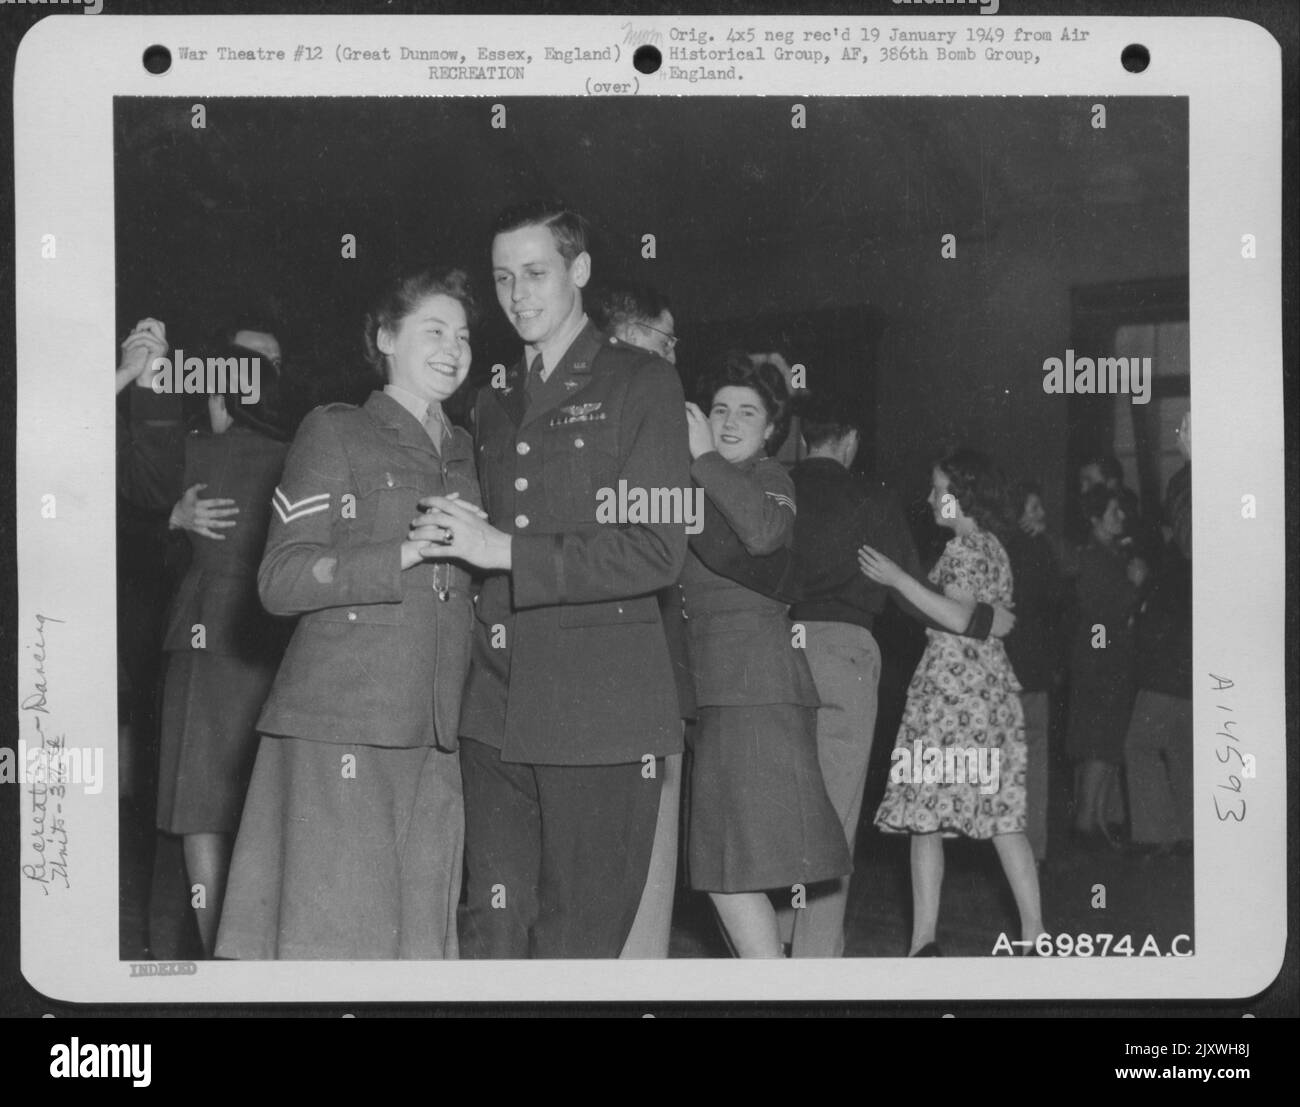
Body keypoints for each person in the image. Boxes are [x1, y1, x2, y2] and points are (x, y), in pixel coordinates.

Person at [413, 201, 689, 959]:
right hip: (494, 707)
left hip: (598, 712)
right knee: (491, 930)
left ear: (580, 270)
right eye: (503, 279)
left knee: (575, 945)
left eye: (535, 273)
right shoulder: (492, 401)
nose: (518, 295)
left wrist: (508, 552)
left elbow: (657, 550)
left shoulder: (643, 384)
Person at [215, 266, 481, 959]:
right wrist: (401, 552)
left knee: (421, 947)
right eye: (433, 330)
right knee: (335, 945)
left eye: (463, 335)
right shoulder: (336, 431)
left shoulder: (467, 452)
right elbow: (279, 577)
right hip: (342, 725)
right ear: (387, 337)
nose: (453, 346)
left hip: (432, 735)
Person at [678, 356, 851, 958]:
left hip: (753, 689)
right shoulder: (693, 481)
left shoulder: (770, 474)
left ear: (771, 429)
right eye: (719, 409)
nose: (729, 421)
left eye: (747, 412)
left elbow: (764, 532)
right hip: (715, 692)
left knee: (730, 871)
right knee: (727, 866)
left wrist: (701, 458)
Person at [861, 448, 1042, 956]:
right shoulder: (994, 548)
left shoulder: (964, 550)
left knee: (927, 818)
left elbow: (958, 618)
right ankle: (1034, 933)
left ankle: (925, 942)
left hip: (951, 693)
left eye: (937, 487)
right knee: (1000, 817)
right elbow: (979, 617)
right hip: (989, 692)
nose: (930, 496)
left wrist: (898, 578)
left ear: (961, 494)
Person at [154, 324, 295, 956]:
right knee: (257, 804)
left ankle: (221, 956)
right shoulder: (299, 452)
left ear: (222, 397)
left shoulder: (192, 457)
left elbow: (127, 476)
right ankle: (256, 951)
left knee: (199, 808)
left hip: (205, 643)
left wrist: (172, 515)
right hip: (274, 641)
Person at [591, 279, 689, 959]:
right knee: (641, 867)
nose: (675, 355)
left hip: (637, 671)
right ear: (627, 340)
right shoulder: (654, 416)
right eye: (666, 341)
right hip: (636, 670)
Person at [1123, 411, 1192, 855]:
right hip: (1190, 642)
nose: (1179, 433)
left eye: (1187, 427)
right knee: (1182, 744)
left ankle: (1157, 835)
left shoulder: (1189, 484)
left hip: (1173, 648)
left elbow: (1187, 544)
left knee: (1141, 743)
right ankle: (1188, 832)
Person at [1065, 484, 1147, 850]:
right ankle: (1086, 823)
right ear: (1096, 519)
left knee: (1105, 743)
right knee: (1099, 744)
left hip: (1109, 663)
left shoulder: (1111, 555)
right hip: (1102, 666)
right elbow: (1102, 615)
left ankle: (1094, 821)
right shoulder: (1094, 559)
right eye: (1114, 512)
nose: (1122, 518)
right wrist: (1134, 587)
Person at [1004, 481, 1067, 865]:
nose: (1040, 515)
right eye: (1033, 508)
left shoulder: (1004, 548)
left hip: (1013, 670)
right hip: (1032, 672)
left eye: (1041, 507)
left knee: (1018, 763)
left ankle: (1014, 851)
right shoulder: (1038, 550)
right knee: (1033, 764)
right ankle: (1032, 850)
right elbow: (1061, 603)